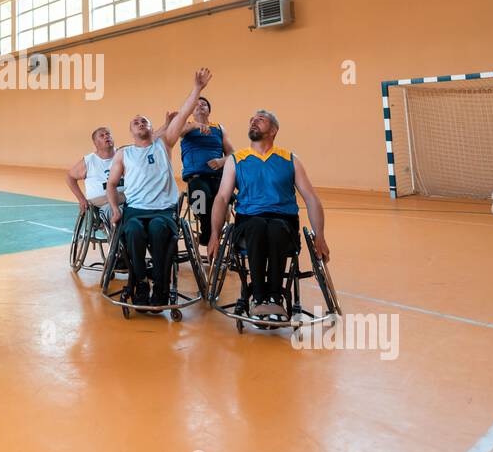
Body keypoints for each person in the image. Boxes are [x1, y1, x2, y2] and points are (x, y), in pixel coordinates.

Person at [207, 110, 330, 318]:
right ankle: (257, 295)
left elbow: (311, 198)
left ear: (273, 130)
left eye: (260, 120)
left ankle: (275, 297)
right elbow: (221, 198)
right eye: (252, 119)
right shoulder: (236, 160)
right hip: (248, 221)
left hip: (283, 221)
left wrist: (320, 236)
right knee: (257, 225)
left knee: (275, 227)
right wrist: (214, 235)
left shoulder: (290, 159)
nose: (254, 121)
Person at [106, 68, 212, 307]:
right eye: (135, 122)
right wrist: (115, 209)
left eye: (144, 121)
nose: (140, 123)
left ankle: (162, 286)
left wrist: (197, 88)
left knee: (157, 229)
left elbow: (184, 113)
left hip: (163, 210)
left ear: (152, 129)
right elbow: (112, 185)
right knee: (131, 230)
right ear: (131, 131)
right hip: (135, 209)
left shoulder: (163, 144)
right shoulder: (124, 153)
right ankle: (141, 281)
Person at [179, 96, 233, 253]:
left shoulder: (219, 128)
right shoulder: (186, 126)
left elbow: (232, 153)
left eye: (204, 104)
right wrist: (196, 125)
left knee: (224, 197)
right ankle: (207, 229)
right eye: (196, 105)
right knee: (200, 195)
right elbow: (179, 133)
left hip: (218, 177)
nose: (200, 106)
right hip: (196, 178)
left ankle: (214, 233)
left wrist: (222, 161)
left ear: (209, 110)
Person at [66, 126, 125, 211]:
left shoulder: (122, 154)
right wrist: (81, 199)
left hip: (124, 196)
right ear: (95, 143)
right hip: (101, 200)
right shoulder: (89, 160)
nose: (106, 136)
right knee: (112, 209)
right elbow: (69, 177)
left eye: (108, 134)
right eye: (102, 136)